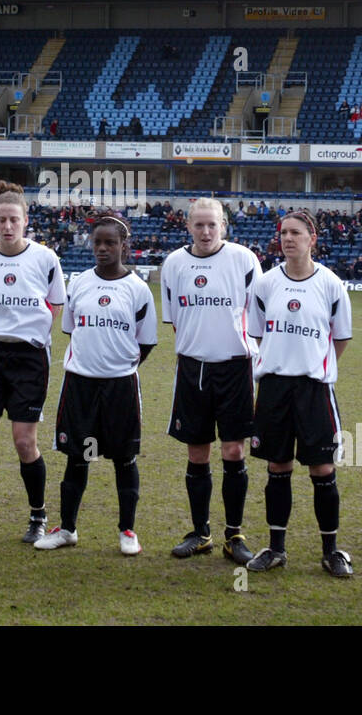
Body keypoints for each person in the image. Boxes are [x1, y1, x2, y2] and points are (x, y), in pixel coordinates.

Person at [35, 216, 157, 555]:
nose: (102, 249)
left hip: (120, 389)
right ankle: (68, 529)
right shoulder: (80, 283)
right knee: (79, 456)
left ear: (123, 246)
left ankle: (127, 531)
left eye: (110, 243)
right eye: (98, 243)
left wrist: (119, 366)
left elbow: (145, 343)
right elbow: (72, 330)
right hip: (81, 387)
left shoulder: (137, 289)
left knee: (124, 459)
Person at [244, 212, 354, 576]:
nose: (288, 238)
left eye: (296, 233)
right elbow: (258, 333)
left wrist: (315, 367)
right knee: (278, 466)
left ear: (312, 238)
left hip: (314, 389)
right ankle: (276, 548)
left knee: (322, 468)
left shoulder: (331, 284)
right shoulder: (265, 283)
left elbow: (340, 338)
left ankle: (331, 550)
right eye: (284, 233)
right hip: (274, 386)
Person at [0, 182, 66, 543]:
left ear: (26, 221)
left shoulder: (45, 258)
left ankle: (38, 515)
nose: (8, 226)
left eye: (14, 220)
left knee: (24, 441)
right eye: (2, 219)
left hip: (29, 358)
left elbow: (54, 305)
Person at [160, 197, 259, 565]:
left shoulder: (244, 260)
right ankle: (201, 532)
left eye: (212, 225)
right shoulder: (174, 264)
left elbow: (258, 314)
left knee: (234, 451)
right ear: (188, 226)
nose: (205, 232)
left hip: (235, 368)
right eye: (199, 225)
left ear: (224, 226)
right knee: (196, 451)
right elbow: (174, 318)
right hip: (192, 368)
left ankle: (234, 535)